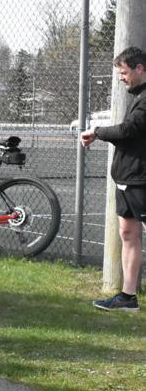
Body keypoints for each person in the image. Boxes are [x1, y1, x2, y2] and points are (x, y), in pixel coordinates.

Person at [81, 46, 146, 313]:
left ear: (140, 68)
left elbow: (130, 129)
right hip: (126, 178)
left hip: (141, 179)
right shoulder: (138, 96)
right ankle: (128, 297)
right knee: (128, 233)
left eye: (124, 72)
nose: (121, 78)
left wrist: (97, 131)